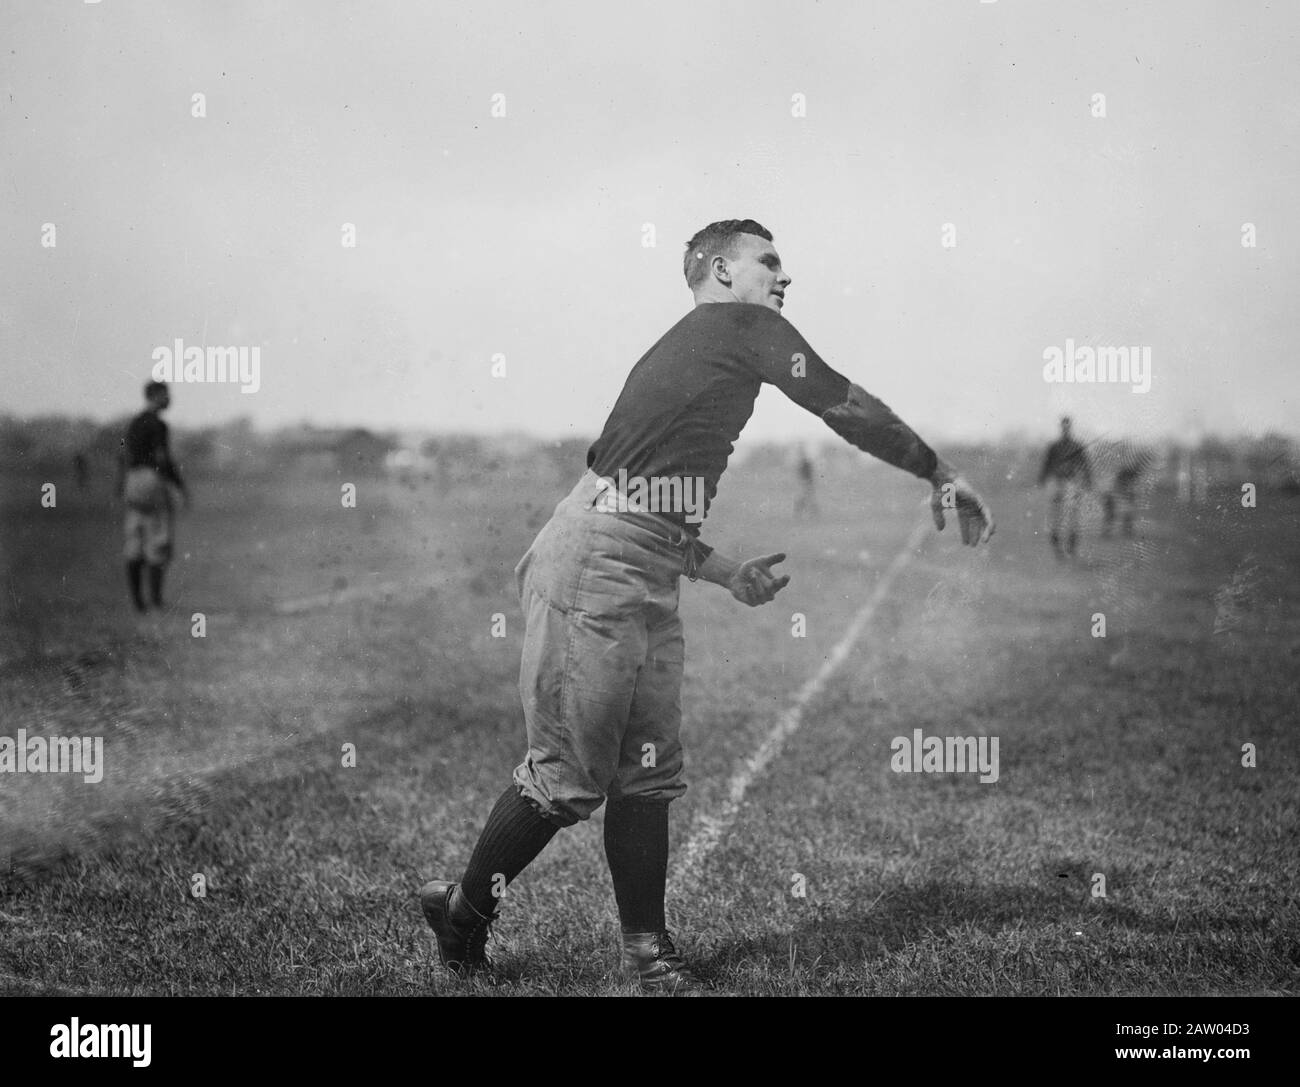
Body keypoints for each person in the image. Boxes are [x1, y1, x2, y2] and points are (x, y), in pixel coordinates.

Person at [419, 220, 995, 993]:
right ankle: (462, 912)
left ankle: (648, 955)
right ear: (721, 271)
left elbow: (648, 497)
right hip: (597, 563)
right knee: (566, 777)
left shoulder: (707, 342)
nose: (784, 278)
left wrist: (722, 570)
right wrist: (937, 469)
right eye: (770, 262)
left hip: (643, 559)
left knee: (647, 771)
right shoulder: (744, 323)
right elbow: (841, 403)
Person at [116, 381, 188, 612]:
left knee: (134, 540)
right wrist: (179, 485)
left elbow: (124, 455)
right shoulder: (158, 425)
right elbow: (162, 458)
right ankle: (156, 600)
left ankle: (138, 601)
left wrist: (121, 485)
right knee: (159, 539)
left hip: (132, 481)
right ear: (155, 396)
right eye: (166, 395)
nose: (170, 399)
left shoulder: (135, 422)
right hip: (151, 481)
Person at [1037, 415, 1092, 558]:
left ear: (1070, 427)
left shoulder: (1076, 445)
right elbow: (1047, 464)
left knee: (1073, 515)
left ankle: (1071, 547)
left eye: (1068, 426)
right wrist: (1042, 479)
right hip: (1057, 482)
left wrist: (1088, 480)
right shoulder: (1054, 446)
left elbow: (1085, 464)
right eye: (1064, 426)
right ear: (1061, 428)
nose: (1066, 429)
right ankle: (1057, 548)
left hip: (1071, 482)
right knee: (1055, 516)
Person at [794, 443, 819, 516]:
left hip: (806, 482)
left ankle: (811, 512)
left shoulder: (805, 463)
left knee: (806, 497)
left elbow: (808, 473)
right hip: (806, 482)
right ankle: (812, 512)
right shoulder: (804, 463)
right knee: (807, 498)